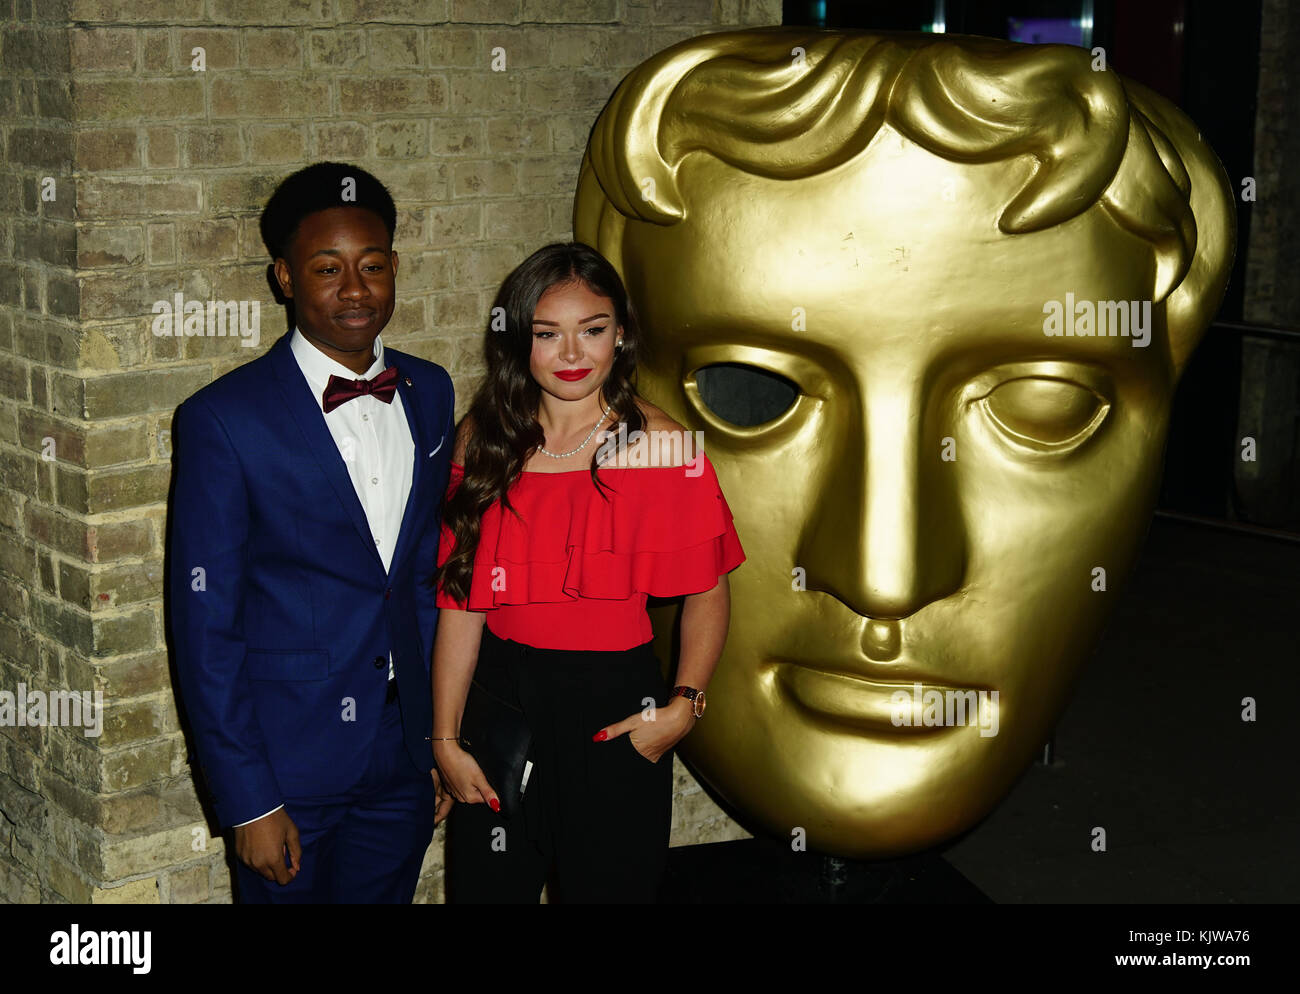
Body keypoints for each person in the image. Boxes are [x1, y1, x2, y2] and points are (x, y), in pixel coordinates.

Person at [169, 161, 455, 903]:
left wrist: (437, 741)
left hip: (402, 760)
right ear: (285, 278)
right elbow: (205, 626)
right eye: (328, 268)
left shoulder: (430, 392)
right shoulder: (223, 419)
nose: (355, 289)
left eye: (373, 266)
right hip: (286, 769)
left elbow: (422, 576)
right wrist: (249, 799)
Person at [432, 242, 744, 903]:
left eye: (592, 331)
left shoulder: (662, 445)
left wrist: (684, 706)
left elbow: (708, 591)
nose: (573, 355)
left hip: (613, 712)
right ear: (520, 341)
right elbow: (461, 603)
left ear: (620, 335)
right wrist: (446, 738)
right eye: (548, 335)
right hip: (499, 706)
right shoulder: (480, 440)